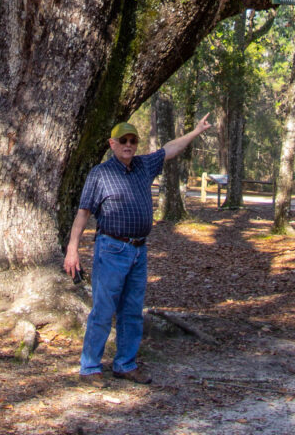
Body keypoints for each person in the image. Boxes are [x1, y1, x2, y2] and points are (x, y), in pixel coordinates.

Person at [63, 113, 212, 386]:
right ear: (112, 143)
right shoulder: (100, 174)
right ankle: (90, 367)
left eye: (133, 140)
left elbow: (170, 149)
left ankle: (125, 364)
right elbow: (83, 213)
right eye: (123, 140)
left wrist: (196, 132)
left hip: (139, 251)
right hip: (111, 250)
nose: (128, 145)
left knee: (132, 310)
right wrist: (72, 250)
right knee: (103, 309)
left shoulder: (144, 165)